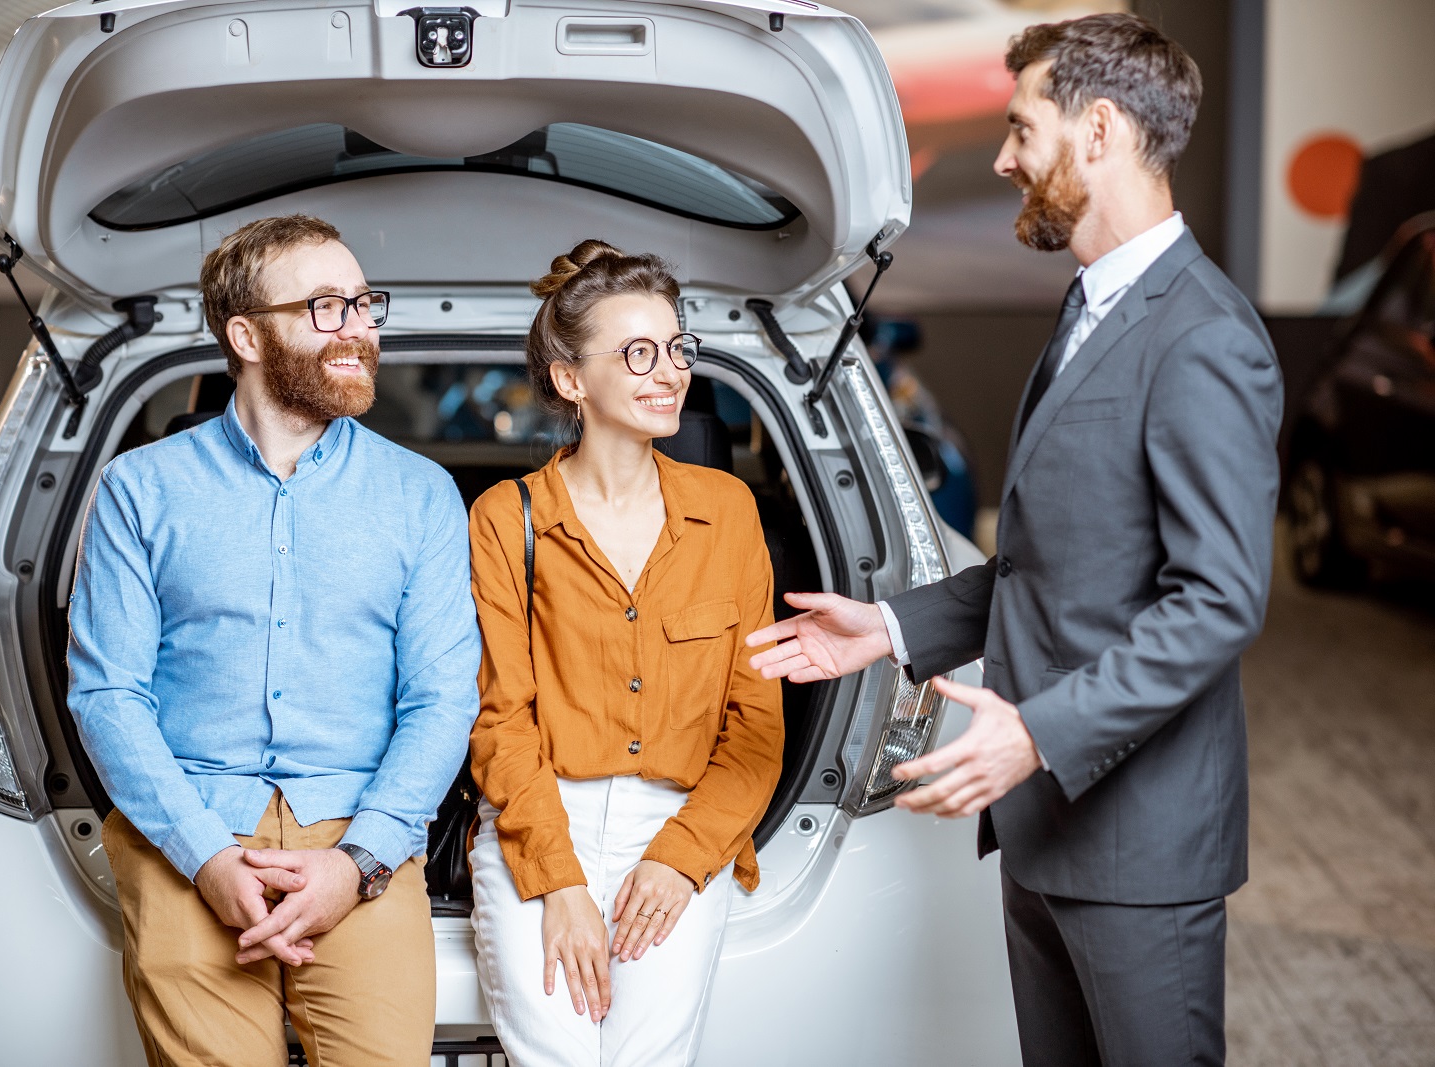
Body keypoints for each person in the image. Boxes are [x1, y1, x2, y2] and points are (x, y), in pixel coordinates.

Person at [747, 15, 1281, 1067]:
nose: (1001, 159)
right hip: (1044, 830)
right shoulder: (1091, 310)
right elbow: (1058, 568)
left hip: (1138, 846)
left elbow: (1218, 601)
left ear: (1099, 130)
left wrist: (1036, 733)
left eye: (1020, 128)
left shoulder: (1204, 335)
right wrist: (891, 627)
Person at [68, 214, 480, 1067]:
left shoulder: (421, 495)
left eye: (364, 303)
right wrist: (206, 857)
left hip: (359, 836)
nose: (360, 328)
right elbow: (108, 696)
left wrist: (358, 861)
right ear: (247, 336)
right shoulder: (138, 490)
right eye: (327, 306)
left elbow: (442, 700)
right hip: (187, 832)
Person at [466, 240, 783, 1067]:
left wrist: (681, 861)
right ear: (571, 379)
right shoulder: (506, 518)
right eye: (639, 353)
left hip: (681, 823)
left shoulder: (728, 510)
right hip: (540, 818)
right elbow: (500, 719)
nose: (670, 372)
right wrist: (560, 880)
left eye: (676, 348)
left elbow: (756, 725)